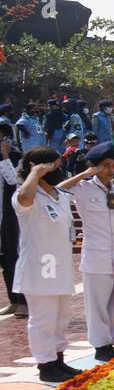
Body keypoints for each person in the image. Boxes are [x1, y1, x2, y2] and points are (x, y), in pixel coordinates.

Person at [12, 147, 79, 383]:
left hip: (60, 265)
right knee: (43, 319)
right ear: (39, 168)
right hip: (39, 268)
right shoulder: (29, 193)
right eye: (54, 166)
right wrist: (34, 174)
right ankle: (45, 364)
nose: (58, 170)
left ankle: (58, 359)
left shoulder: (59, 195)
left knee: (61, 317)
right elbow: (23, 199)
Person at [60, 142, 114, 360]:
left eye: (113, 165)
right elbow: (60, 189)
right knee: (97, 303)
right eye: (104, 166)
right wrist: (86, 174)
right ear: (95, 167)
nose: (110, 170)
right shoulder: (84, 188)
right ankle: (100, 346)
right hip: (96, 254)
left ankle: (111, 342)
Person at [0, 129, 25, 317]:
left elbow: (12, 180)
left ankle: (24, 301)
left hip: (11, 215)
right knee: (4, 259)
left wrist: (4, 157)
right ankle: (13, 300)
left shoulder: (16, 157)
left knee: (14, 256)